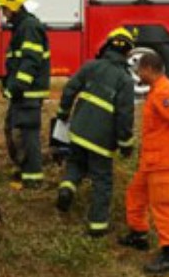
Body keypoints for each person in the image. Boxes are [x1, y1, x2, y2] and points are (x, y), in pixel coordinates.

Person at [117, 51, 169, 274]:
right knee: (135, 194)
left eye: (140, 69)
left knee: (164, 206)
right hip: (151, 161)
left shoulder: (163, 92)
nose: (138, 74)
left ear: (149, 69)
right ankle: (138, 234)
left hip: (163, 162)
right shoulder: (157, 91)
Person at [55, 27, 137, 236]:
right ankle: (97, 226)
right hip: (101, 140)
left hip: (78, 130)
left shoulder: (91, 66)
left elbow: (69, 89)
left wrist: (63, 113)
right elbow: (125, 115)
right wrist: (126, 144)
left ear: (107, 45)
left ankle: (67, 189)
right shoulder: (125, 80)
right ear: (128, 53)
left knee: (75, 163)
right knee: (102, 180)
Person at [0, 0, 50, 189]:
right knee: (15, 130)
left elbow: (30, 61)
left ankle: (33, 179)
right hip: (23, 93)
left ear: (14, 6)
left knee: (27, 134)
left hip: (28, 93)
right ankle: (24, 168)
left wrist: (16, 86)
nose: (4, 14)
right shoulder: (23, 27)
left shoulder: (29, 27)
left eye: (4, 9)